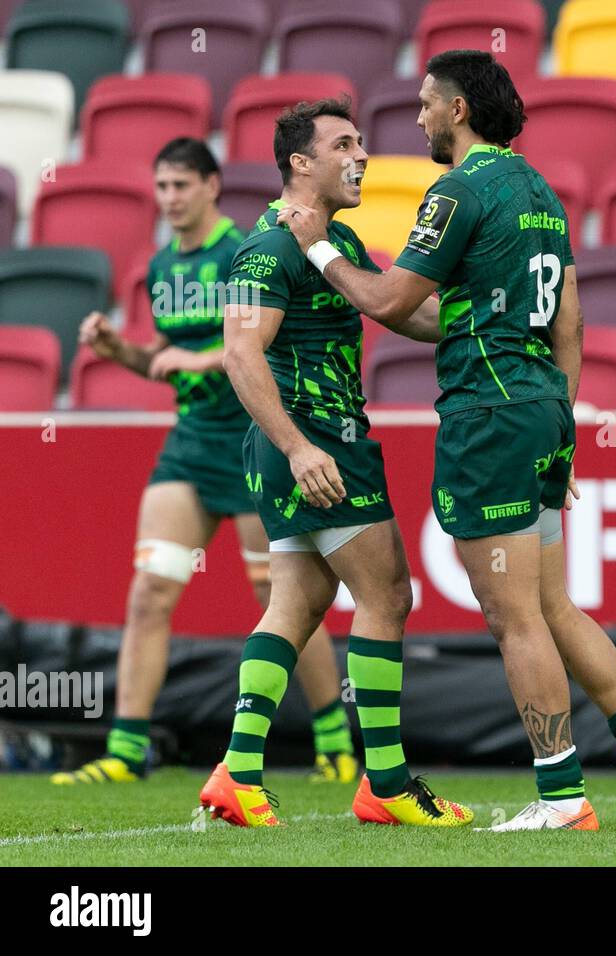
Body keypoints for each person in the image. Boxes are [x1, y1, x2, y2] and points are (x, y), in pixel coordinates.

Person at [277, 50, 616, 830]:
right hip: (541, 407)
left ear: (460, 109)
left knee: (514, 618)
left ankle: (562, 798)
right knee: (555, 604)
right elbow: (569, 323)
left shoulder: (457, 189)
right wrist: (564, 428)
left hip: (488, 415)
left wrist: (320, 248)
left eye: (427, 104)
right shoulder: (541, 190)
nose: (418, 118)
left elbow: (392, 296)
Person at [198, 99, 473, 827]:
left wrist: (487, 313)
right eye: (343, 144)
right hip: (315, 442)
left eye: (361, 142)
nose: (362, 155)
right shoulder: (268, 247)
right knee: (388, 596)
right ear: (300, 163)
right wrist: (299, 446)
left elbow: (403, 313)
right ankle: (385, 783)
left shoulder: (334, 237)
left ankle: (238, 774)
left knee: (297, 604)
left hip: (305, 443)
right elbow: (239, 352)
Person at [55, 138, 355, 786]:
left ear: (212, 187)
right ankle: (127, 749)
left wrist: (193, 359)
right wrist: (118, 350)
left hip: (252, 439)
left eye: (181, 186)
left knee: (282, 595)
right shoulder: (163, 266)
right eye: (161, 187)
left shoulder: (240, 250)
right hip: (190, 445)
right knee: (149, 591)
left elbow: (247, 346)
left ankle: (334, 738)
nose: (169, 199)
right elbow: (166, 356)